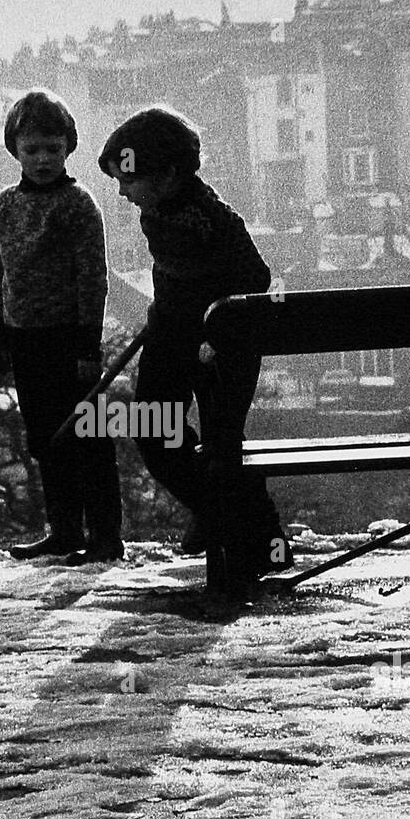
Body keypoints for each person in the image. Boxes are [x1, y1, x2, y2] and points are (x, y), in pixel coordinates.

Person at [96, 105, 290, 595]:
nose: (122, 191)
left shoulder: (209, 219)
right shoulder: (157, 210)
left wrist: (208, 322)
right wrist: (166, 310)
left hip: (220, 345)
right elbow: (172, 273)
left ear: (167, 175)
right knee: (154, 428)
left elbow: (255, 278)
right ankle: (221, 514)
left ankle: (254, 535)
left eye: (128, 179)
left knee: (224, 446)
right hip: (174, 335)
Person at [0, 89, 123, 565]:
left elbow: (94, 278)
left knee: (88, 437)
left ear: (69, 146)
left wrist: (89, 346)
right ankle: (64, 529)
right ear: (15, 150)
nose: (43, 158)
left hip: (69, 340)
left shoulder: (78, 204)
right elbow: (2, 272)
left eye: (53, 147)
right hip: (25, 341)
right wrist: (0, 336)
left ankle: (105, 535)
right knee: (46, 439)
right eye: (32, 149)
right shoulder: (6, 204)